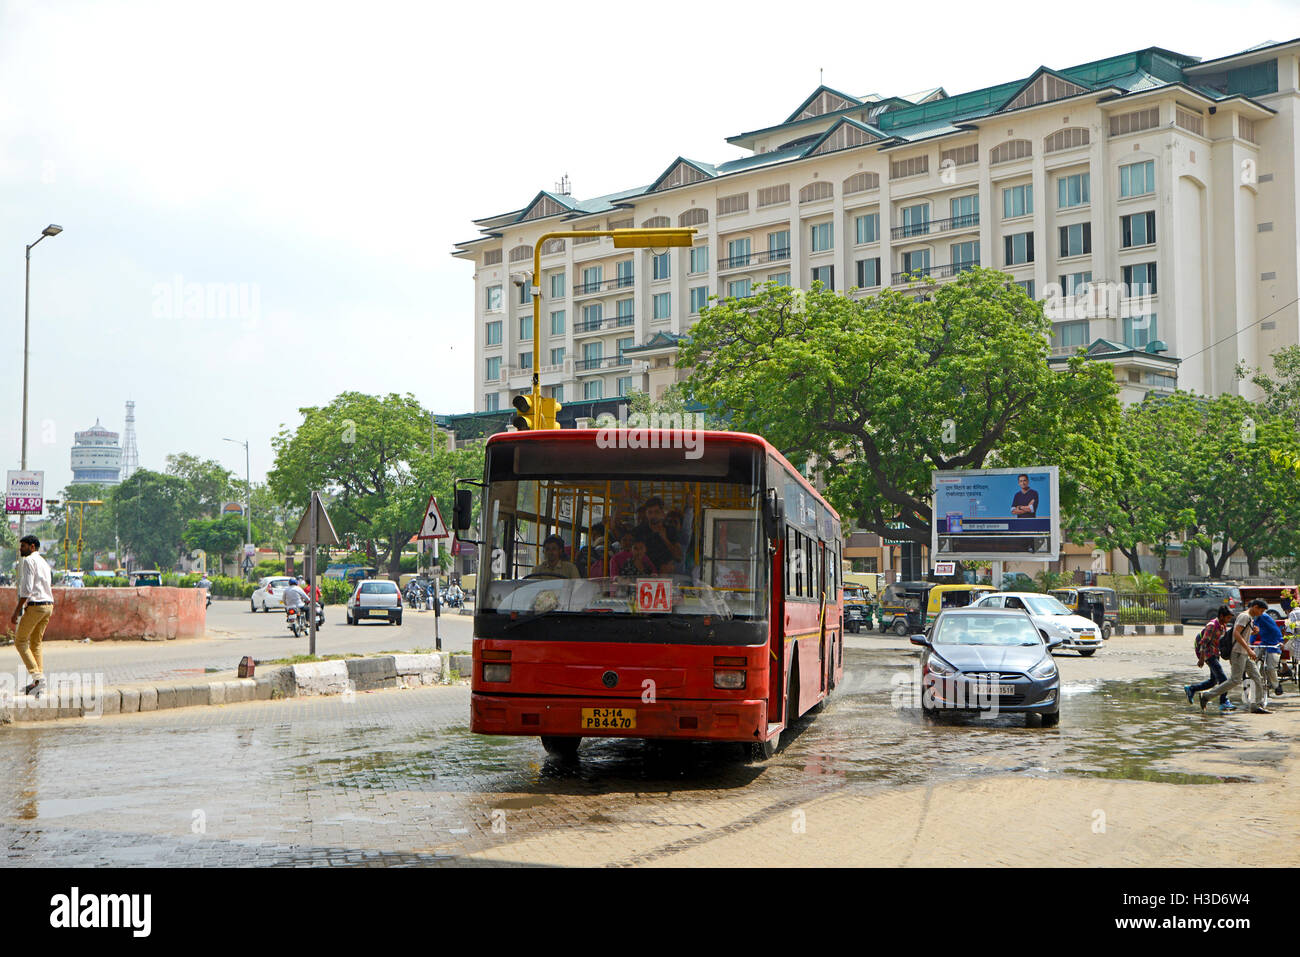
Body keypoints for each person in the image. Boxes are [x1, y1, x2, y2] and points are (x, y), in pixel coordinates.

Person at [1198, 598, 1270, 714]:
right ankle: (1207, 696)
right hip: (1238, 652)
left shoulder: (1250, 618)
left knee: (1257, 677)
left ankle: (1256, 705)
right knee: (1235, 680)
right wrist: (1249, 649)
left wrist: (1253, 632)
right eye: (1261, 611)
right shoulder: (1245, 616)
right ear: (1255, 607)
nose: (1261, 614)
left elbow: (1242, 633)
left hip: (1244, 654)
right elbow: (1236, 634)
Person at [10, 535, 54, 697]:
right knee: (35, 643)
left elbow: (27, 590)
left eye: (23, 546)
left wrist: (17, 611)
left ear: (32, 547)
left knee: (20, 641)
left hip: (36, 606)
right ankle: (38, 685)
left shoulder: (29, 561)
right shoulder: (44, 563)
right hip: (48, 605)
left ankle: (38, 677)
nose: (21, 549)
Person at [1185, 606, 1235, 712]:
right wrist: (1202, 658)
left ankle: (1192, 689)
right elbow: (1203, 642)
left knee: (1213, 681)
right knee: (1223, 679)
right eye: (1228, 617)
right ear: (1221, 616)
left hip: (1215, 653)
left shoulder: (1223, 625)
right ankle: (1223, 701)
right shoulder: (1212, 625)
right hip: (1208, 654)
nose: (1229, 620)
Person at [632, 496, 683, 572]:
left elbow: (679, 557)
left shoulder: (671, 530)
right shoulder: (639, 531)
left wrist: (665, 539)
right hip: (644, 574)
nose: (653, 516)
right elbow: (632, 556)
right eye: (650, 512)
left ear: (662, 513)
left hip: (666, 575)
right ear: (646, 513)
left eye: (656, 512)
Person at [1252, 604, 1285, 698]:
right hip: (1263, 642)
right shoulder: (1254, 619)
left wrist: (1280, 642)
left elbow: (1275, 631)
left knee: (1271, 667)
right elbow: (1253, 633)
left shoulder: (1264, 618)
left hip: (1274, 643)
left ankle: (1276, 685)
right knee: (1251, 660)